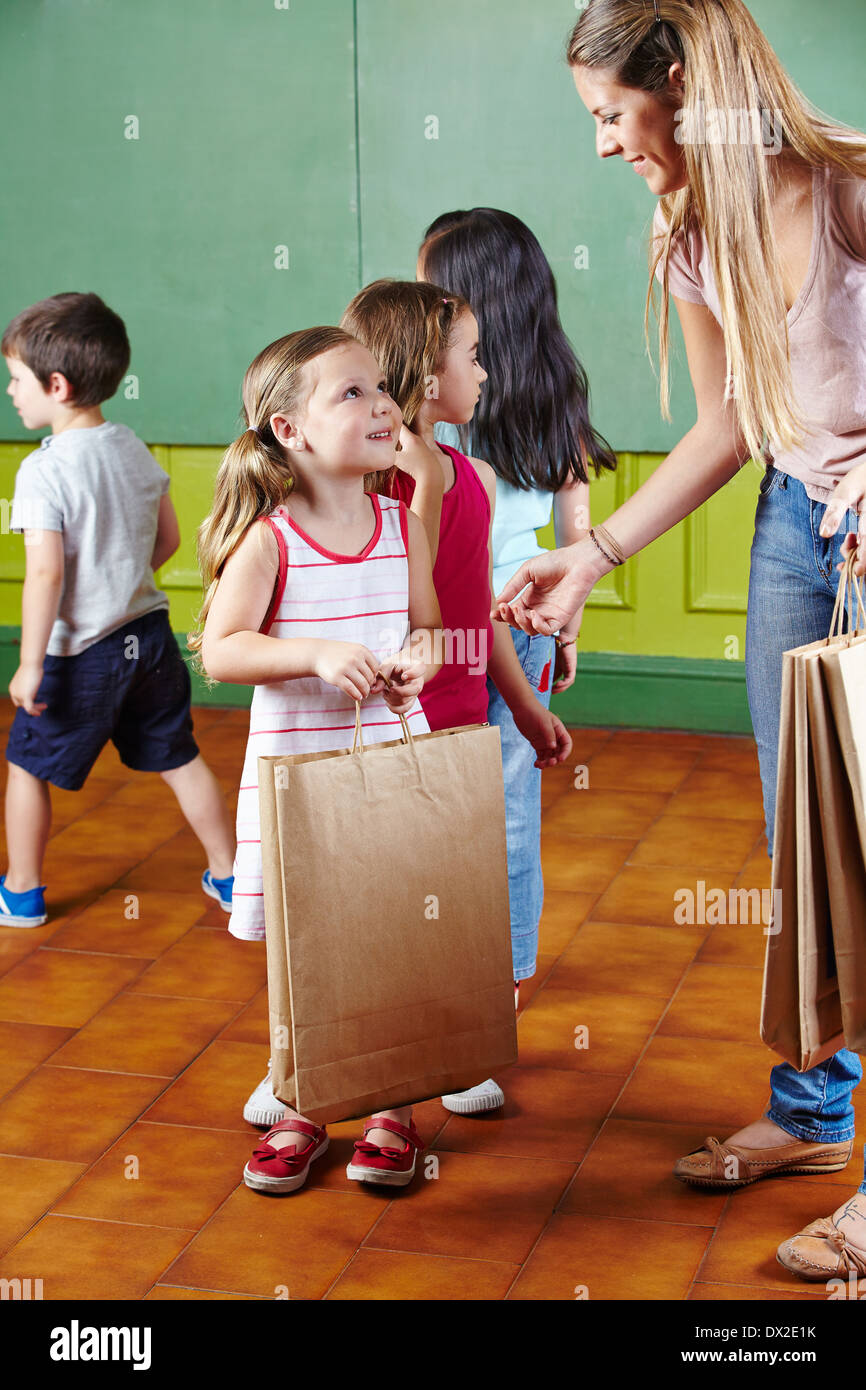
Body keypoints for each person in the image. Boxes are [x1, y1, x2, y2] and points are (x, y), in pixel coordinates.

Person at [495, 0, 866, 1283]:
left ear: (682, 83)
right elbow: (727, 425)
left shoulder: (847, 190)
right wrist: (590, 555)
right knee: (805, 840)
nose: (602, 144)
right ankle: (814, 1114)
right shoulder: (688, 228)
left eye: (610, 114)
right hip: (794, 526)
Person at [193, 326, 443, 1191]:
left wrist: (417, 663)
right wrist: (316, 654)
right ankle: (302, 1102)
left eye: (382, 389)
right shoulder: (270, 540)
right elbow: (222, 649)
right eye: (352, 393)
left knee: (393, 934)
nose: (383, 405)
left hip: (388, 768)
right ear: (288, 430)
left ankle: (392, 1107)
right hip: (298, 784)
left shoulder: (401, 525)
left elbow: (427, 629)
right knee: (304, 953)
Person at [342, 277, 574, 1116]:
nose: (484, 372)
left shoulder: (472, 475)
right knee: (377, 903)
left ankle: (449, 1043)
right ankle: (323, 1057)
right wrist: (426, 491)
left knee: (448, 899)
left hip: (458, 725)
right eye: (471, 358)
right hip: (379, 725)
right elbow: (407, 608)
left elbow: (473, 615)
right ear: (423, 375)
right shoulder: (366, 483)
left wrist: (526, 707)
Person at [417, 206, 616, 1031]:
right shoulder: (551, 376)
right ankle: (502, 973)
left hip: (461, 616)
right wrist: (568, 621)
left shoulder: (442, 393)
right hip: (530, 609)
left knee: (446, 797)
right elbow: (576, 512)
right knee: (508, 799)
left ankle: (467, 969)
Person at [1, 292, 235, 928]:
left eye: (16, 379)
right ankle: (230, 875)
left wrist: (30, 664)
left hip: (80, 656)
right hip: (149, 640)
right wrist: (123, 582)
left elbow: (46, 572)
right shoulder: (130, 445)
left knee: (27, 766)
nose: (11, 392)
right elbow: (168, 539)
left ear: (57, 385)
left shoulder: (42, 471)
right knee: (179, 757)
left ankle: (21, 892)